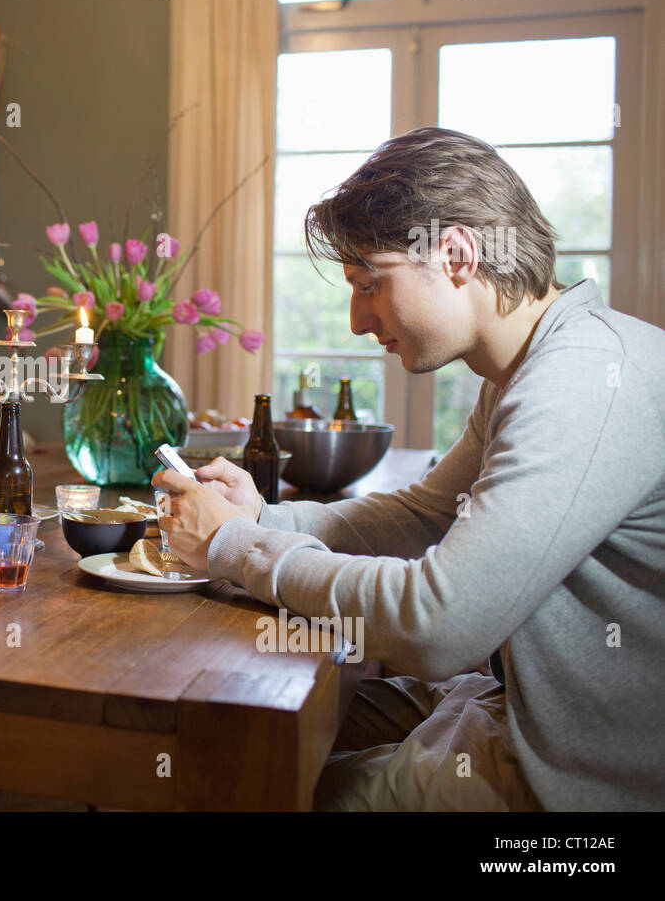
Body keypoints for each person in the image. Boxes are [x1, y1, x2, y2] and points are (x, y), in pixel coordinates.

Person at [155, 127, 665, 811]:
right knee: (235, 730)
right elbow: (425, 514)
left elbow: (438, 625)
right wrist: (264, 516)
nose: (357, 319)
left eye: (370, 284)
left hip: (581, 777)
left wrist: (233, 546)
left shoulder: (579, 383)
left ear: (456, 255)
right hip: (515, 703)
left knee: (239, 787)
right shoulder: (531, 367)